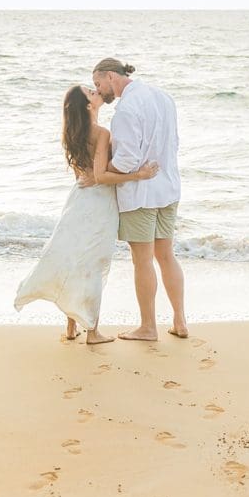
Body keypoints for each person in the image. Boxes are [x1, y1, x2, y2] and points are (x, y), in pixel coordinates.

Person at [14, 84, 159, 344]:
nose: (96, 92)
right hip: (99, 205)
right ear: (88, 105)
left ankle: (71, 326)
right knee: (93, 264)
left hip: (78, 200)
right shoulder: (101, 133)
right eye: (91, 92)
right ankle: (93, 331)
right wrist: (141, 175)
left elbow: (89, 174)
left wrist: (96, 175)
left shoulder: (72, 133)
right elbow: (102, 176)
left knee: (74, 257)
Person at [87, 58, 188, 341]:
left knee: (142, 261)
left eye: (98, 84)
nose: (99, 90)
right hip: (168, 187)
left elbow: (128, 158)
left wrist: (103, 172)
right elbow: (174, 142)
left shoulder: (126, 110)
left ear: (110, 76)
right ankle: (180, 320)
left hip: (142, 193)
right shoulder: (163, 97)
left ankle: (148, 327)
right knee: (166, 256)